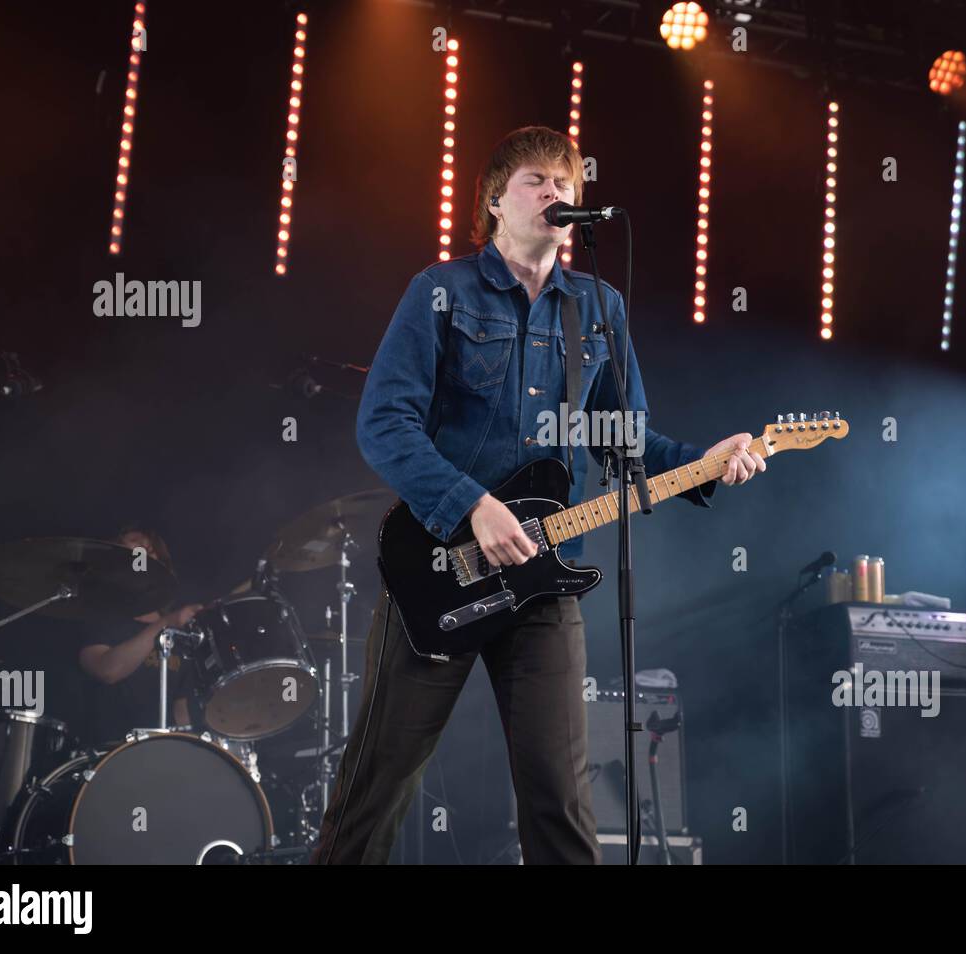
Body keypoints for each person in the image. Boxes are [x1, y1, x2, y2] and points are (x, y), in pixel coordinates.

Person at [315, 126, 764, 865]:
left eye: (566, 184)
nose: (554, 193)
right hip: (437, 569)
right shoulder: (441, 293)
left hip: (545, 581)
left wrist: (705, 463)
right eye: (535, 181)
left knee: (560, 800)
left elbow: (625, 442)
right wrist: (471, 505)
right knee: (378, 782)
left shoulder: (599, 307)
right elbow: (383, 424)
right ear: (494, 200)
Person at [76, 525, 203, 744]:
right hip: (109, 754)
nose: (143, 551)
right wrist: (167, 622)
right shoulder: (101, 616)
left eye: (150, 550)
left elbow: (182, 710)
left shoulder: (181, 635)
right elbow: (108, 671)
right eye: (134, 546)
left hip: (161, 756)